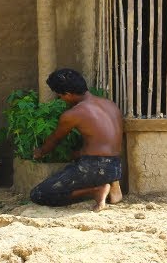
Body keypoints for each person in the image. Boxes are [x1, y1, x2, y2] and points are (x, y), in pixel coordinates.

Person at [30, 68, 126, 212]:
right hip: (116, 166)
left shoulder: (73, 114)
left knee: (39, 194)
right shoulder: (109, 104)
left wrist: (40, 152)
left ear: (68, 94)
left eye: (60, 96)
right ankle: (112, 184)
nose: (61, 99)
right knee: (79, 158)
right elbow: (103, 141)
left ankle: (96, 190)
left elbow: (55, 140)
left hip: (94, 167)